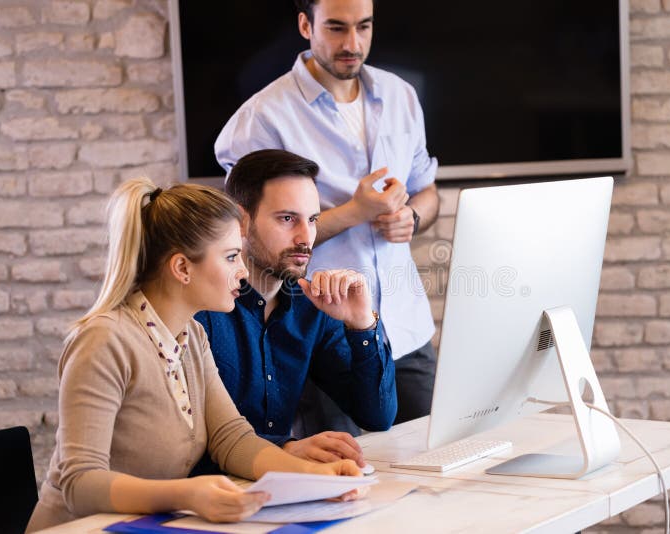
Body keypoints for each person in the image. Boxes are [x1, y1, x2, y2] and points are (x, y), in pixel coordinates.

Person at [26, 178, 362, 533]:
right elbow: (80, 484)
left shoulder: (192, 335)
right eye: (232, 257)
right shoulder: (104, 341)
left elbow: (232, 438)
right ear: (183, 268)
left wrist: (315, 475)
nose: (244, 271)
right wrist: (186, 495)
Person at [215, 0, 440, 429]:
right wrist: (357, 211)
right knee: (347, 474)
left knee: (440, 460)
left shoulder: (401, 96)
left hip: (406, 324)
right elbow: (247, 233)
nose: (352, 43)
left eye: (364, 27)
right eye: (336, 28)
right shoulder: (262, 118)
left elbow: (427, 190)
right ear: (305, 25)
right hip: (322, 332)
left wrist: (411, 215)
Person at [195, 149, 395, 469]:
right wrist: (284, 449)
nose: (306, 238)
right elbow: (185, 440)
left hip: (284, 487)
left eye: (312, 219)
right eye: (287, 219)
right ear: (241, 222)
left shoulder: (311, 307)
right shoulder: (200, 309)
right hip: (210, 496)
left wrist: (362, 325)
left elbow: (378, 416)